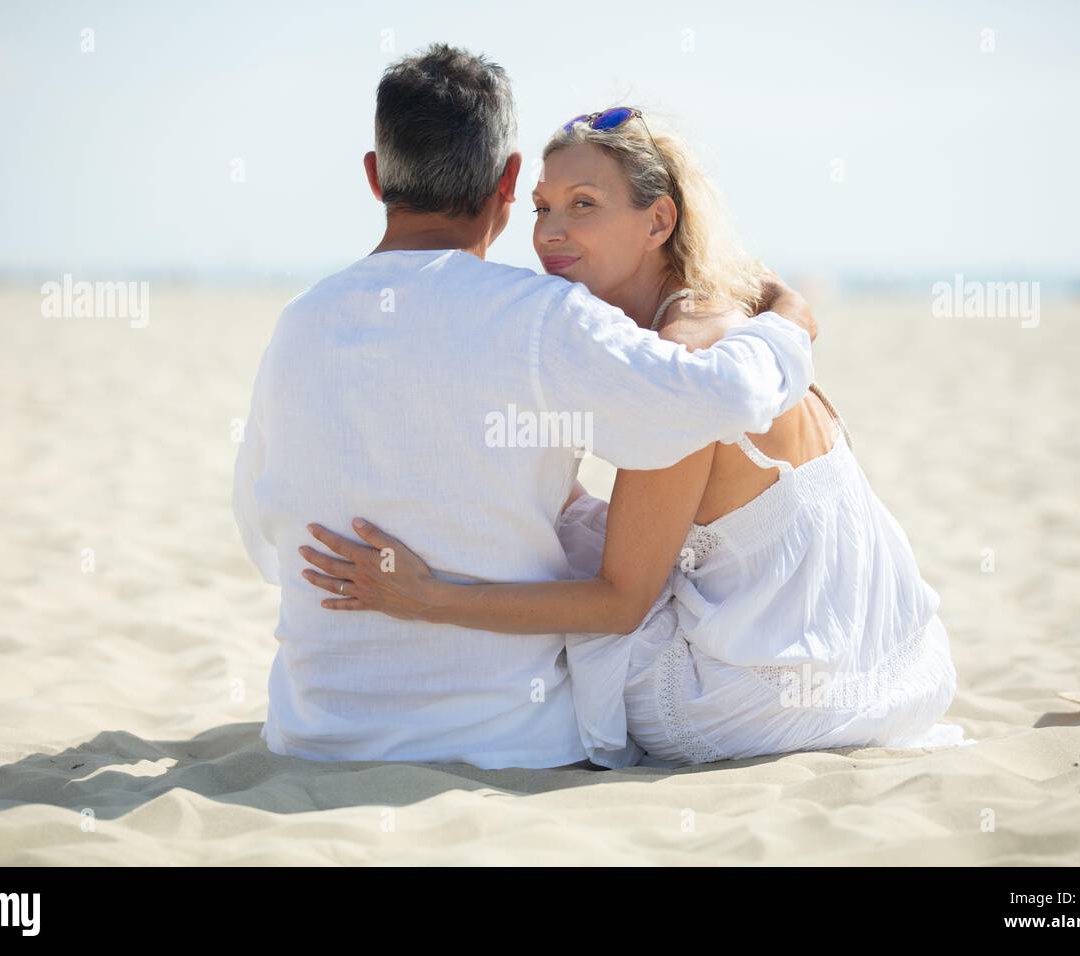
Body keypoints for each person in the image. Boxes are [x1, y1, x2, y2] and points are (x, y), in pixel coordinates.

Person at [299, 104, 968, 768]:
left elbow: (619, 605)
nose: (551, 234)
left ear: (658, 220)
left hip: (742, 699)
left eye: (583, 204)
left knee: (528, 553)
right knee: (548, 517)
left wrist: (430, 597)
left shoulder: (678, 366)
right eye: (541, 208)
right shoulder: (715, 313)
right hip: (876, 666)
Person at [232, 45, 815, 770]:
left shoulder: (299, 323)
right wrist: (789, 320)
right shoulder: (542, 318)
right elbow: (718, 396)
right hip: (505, 740)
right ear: (510, 180)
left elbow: (262, 535)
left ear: (376, 176)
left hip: (314, 732)